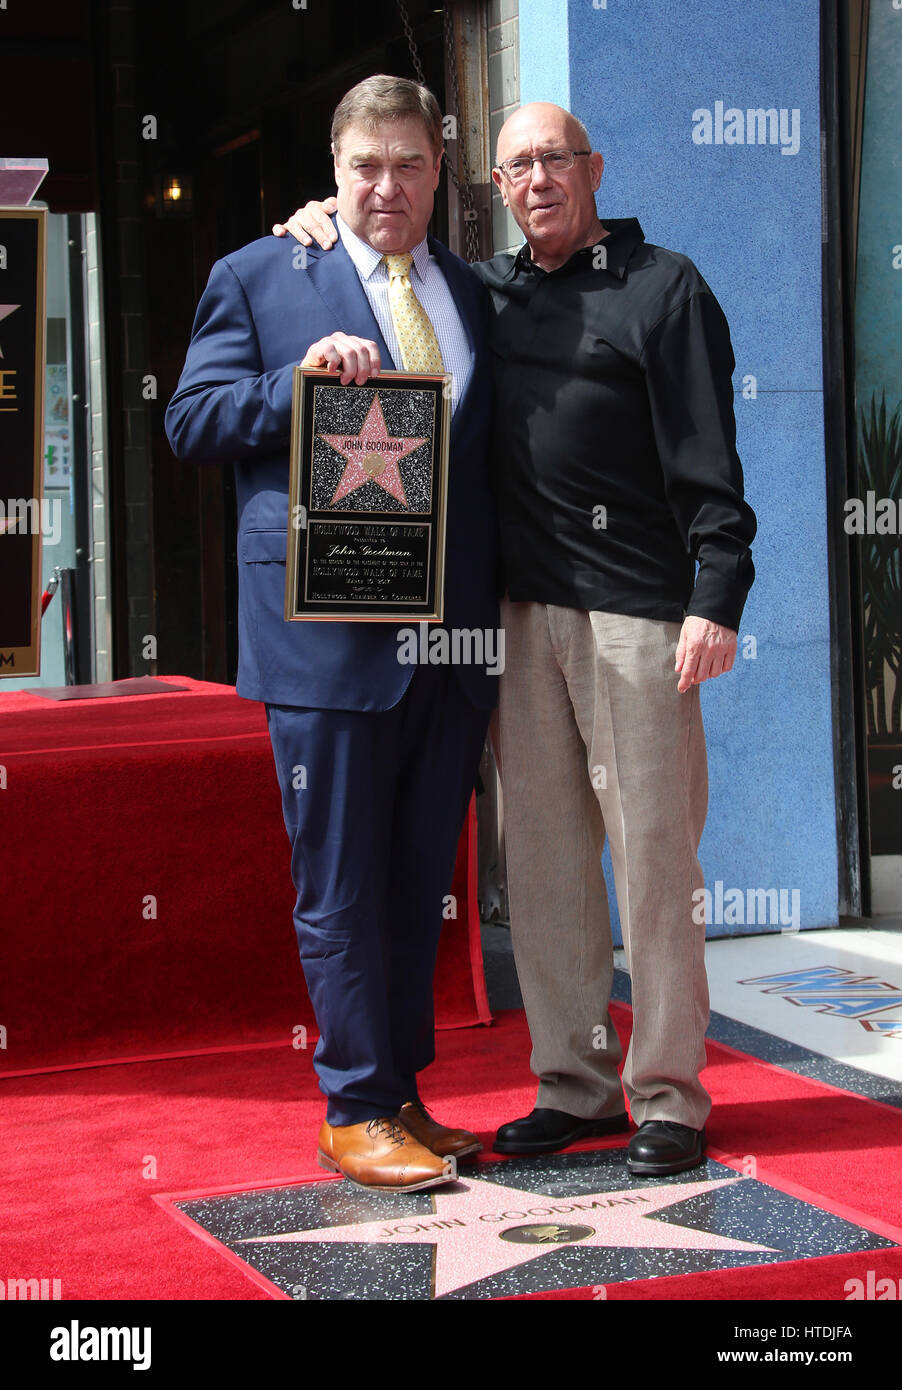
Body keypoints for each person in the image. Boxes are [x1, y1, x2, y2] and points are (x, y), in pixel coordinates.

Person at [276, 100, 756, 1178]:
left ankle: (668, 1096)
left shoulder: (663, 287)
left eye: (553, 159)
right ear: (493, 185)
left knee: (651, 860)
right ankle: (576, 1085)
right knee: (539, 866)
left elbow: (707, 454)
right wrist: (319, 220)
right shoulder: (482, 292)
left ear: (591, 167)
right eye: (515, 165)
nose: (535, 178)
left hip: (636, 612)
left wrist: (715, 594)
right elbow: (381, 255)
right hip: (512, 619)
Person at [166, 75, 500, 1193]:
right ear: (334, 168)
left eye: (408, 163)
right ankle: (350, 1105)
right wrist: (289, 385)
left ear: (437, 169)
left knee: (415, 879)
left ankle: (399, 1093)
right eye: (366, 165)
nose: (386, 186)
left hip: (447, 649)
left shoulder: (464, 286)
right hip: (324, 641)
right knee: (342, 882)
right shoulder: (262, 274)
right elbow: (190, 419)